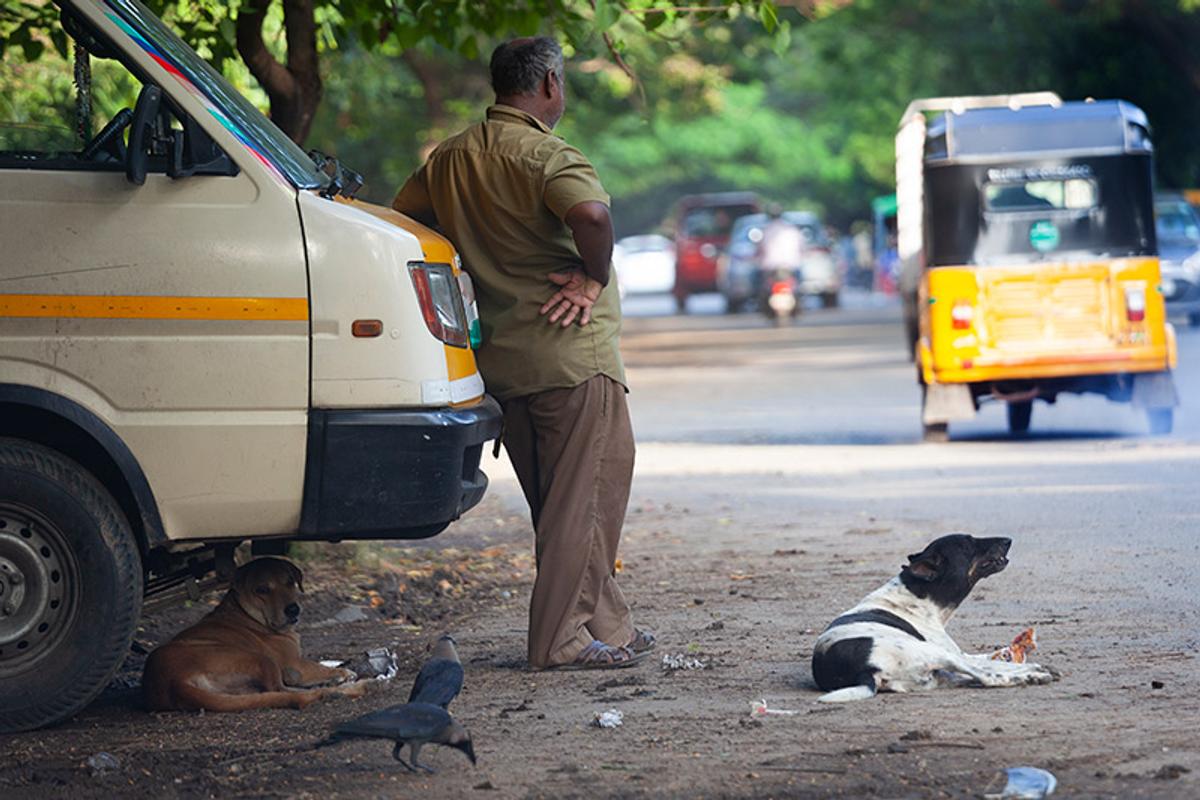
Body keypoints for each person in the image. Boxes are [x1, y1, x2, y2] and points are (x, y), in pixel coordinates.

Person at [392, 37, 653, 670]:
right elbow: (590, 214)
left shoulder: (450, 159)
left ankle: (607, 625)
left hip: (504, 365)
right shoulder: (547, 154)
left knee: (562, 508)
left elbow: (402, 220)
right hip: (570, 356)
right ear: (548, 86)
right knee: (586, 501)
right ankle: (558, 639)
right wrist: (593, 276)